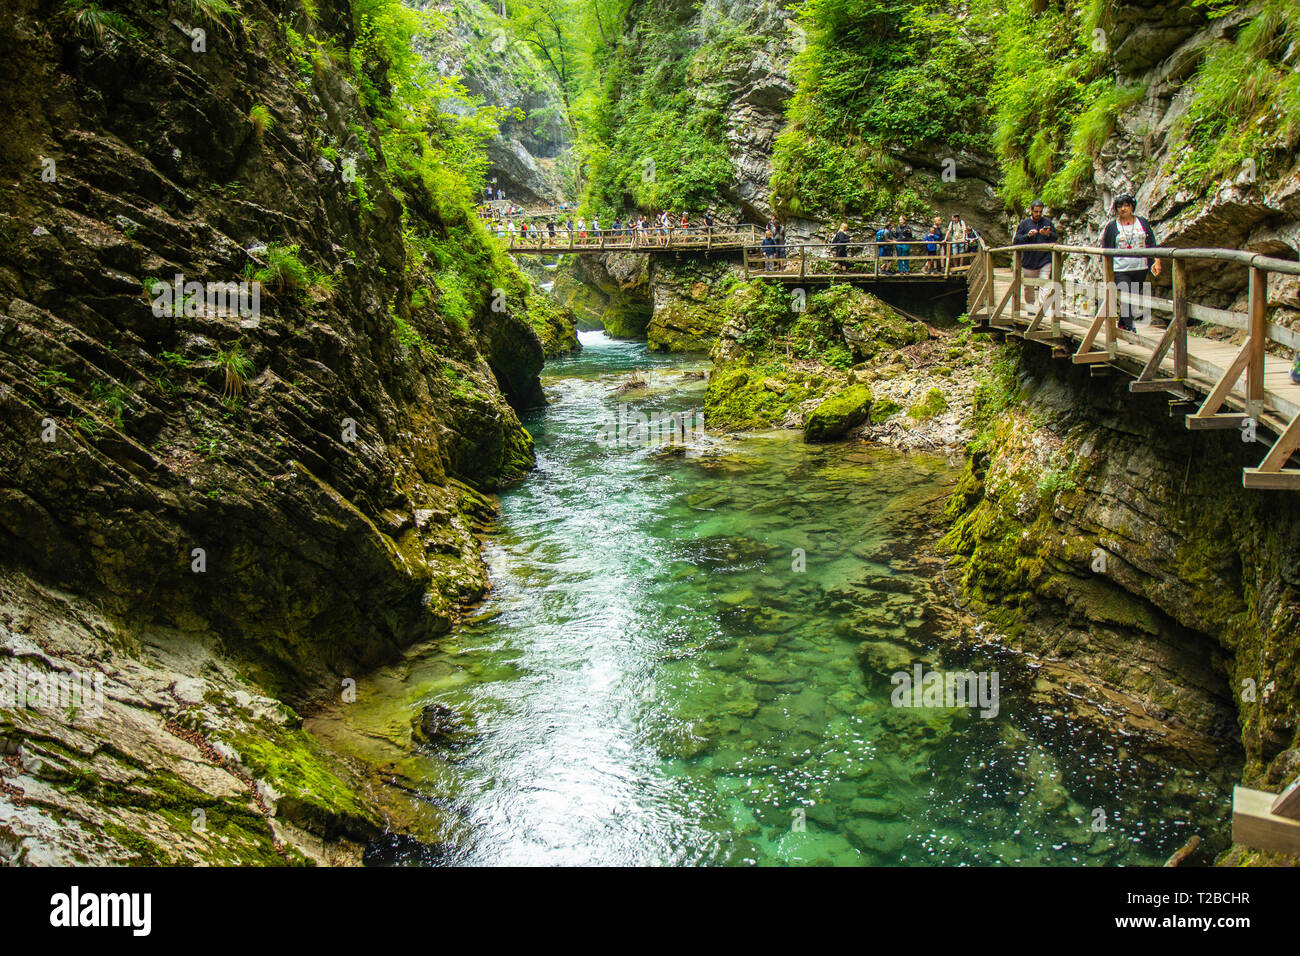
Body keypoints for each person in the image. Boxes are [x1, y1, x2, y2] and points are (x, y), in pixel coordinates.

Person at [1100, 193, 1161, 332]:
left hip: (1141, 267)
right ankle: (1129, 328)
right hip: (1120, 268)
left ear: (1132, 207)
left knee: (1133, 297)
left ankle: (1123, 322)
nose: (1123, 209)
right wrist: (1107, 271)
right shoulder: (1112, 227)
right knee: (1127, 296)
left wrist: (1156, 261)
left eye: (1126, 205)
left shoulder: (1142, 222)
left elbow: (1152, 242)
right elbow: (1106, 248)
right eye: (1119, 206)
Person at [1013, 199, 1056, 305]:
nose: (1038, 214)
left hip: (1044, 260)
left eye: (1040, 212)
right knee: (1029, 288)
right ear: (1031, 210)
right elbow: (1016, 240)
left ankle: (1042, 310)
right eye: (1036, 211)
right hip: (1029, 261)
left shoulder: (1047, 222)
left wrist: (1048, 234)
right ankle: (1030, 308)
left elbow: (1055, 237)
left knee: (1045, 285)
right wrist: (1028, 235)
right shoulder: (1024, 224)